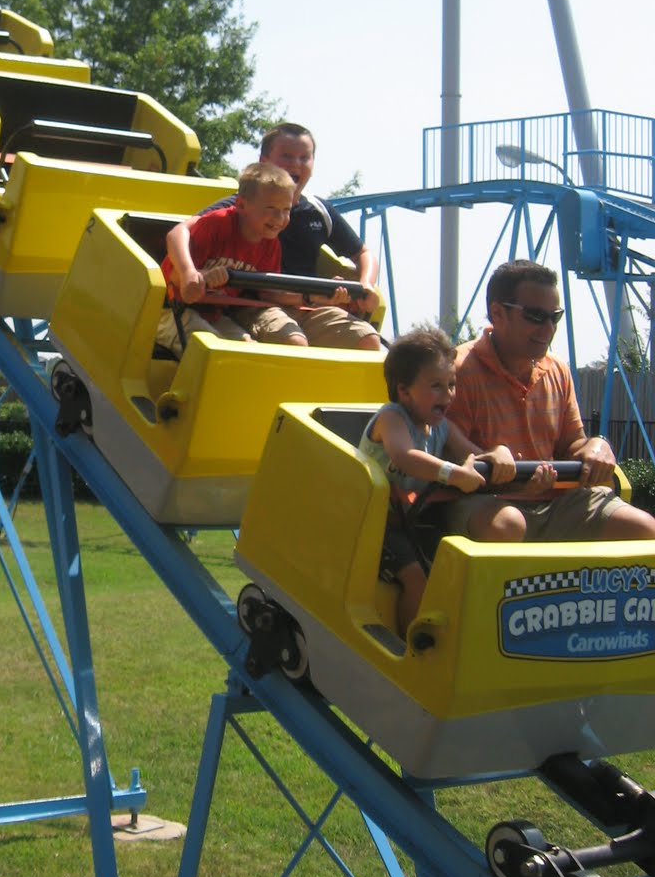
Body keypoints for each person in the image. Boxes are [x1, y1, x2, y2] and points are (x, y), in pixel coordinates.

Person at [444, 259, 655, 542]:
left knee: (644, 529)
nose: (548, 328)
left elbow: (572, 445)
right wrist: (489, 459)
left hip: (554, 503)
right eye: (534, 316)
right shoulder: (457, 370)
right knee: (506, 526)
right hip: (483, 500)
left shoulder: (556, 370)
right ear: (497, 313)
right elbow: (445, 446)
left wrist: (598, 445)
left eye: (554, 317)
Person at [359, 326, 514, 632]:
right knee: (416, 579)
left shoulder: (442, 426)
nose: (449, 394)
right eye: (436, 386)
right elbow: (404, 456)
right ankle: (407, 651)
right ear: (404, 391)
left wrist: (499, 455)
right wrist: (452, 473)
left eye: (452, 384)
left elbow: (474, 456)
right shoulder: (392, 417)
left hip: (413, 523)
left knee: (454, 572)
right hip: (376, 526)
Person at [203, 123, 382, 351]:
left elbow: (363, 253)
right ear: (265, 160)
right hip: (257, 304)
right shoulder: (244, 205)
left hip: (310, 305)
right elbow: (189, 229)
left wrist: (366, 284)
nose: (295, 164)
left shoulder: (317, 210)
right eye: (287, 156)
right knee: (293, 341)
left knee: (367, 340)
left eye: (304, 158)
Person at [155, 164, 307, 355]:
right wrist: (199, 276)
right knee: (211, 350)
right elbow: (177, 278)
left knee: (247, 352)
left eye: (286, 210)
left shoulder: (270, 244)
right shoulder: (216, 224)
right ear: (242, 205)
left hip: (214, 314)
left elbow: (268, 292)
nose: (280, 217)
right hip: (170, 311)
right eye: (271, 208)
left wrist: (315, 297)